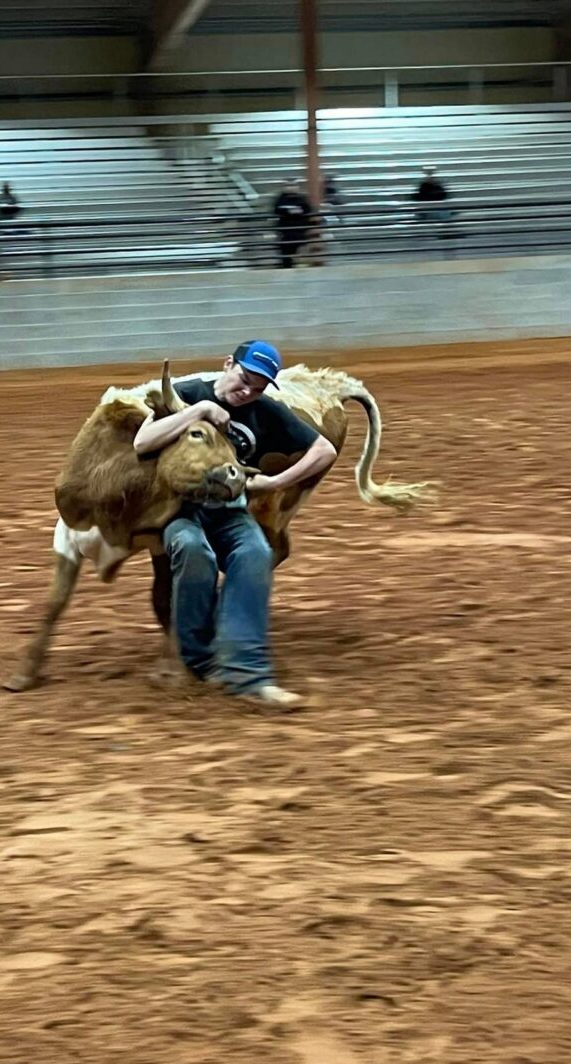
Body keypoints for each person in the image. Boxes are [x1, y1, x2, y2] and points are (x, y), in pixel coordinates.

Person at [133, 340, 337, 709]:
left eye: (258, 387)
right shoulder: (188, 393)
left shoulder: (266, 412)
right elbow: (143, 443)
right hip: (180, 512)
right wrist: (202, 410)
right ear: (228, 364)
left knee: (256, 552)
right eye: (244, 379)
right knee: (194, 550)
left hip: (231, 512)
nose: (247, 392)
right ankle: (201, 661)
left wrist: (275, 483)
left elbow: (325, 450)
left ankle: (248, 673)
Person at [272, 180, 313, 268]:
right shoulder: (280, 199)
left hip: (299, 230)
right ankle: (287, 266)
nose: (291, 187)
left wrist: (299, 212)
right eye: (288, 186)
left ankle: (301, 265)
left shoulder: (301, 198)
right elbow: (276, 210)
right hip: (286, 230)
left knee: (301, 250)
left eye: (293, 185)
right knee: (286, 252)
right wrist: (289, 211)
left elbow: (308, 210)